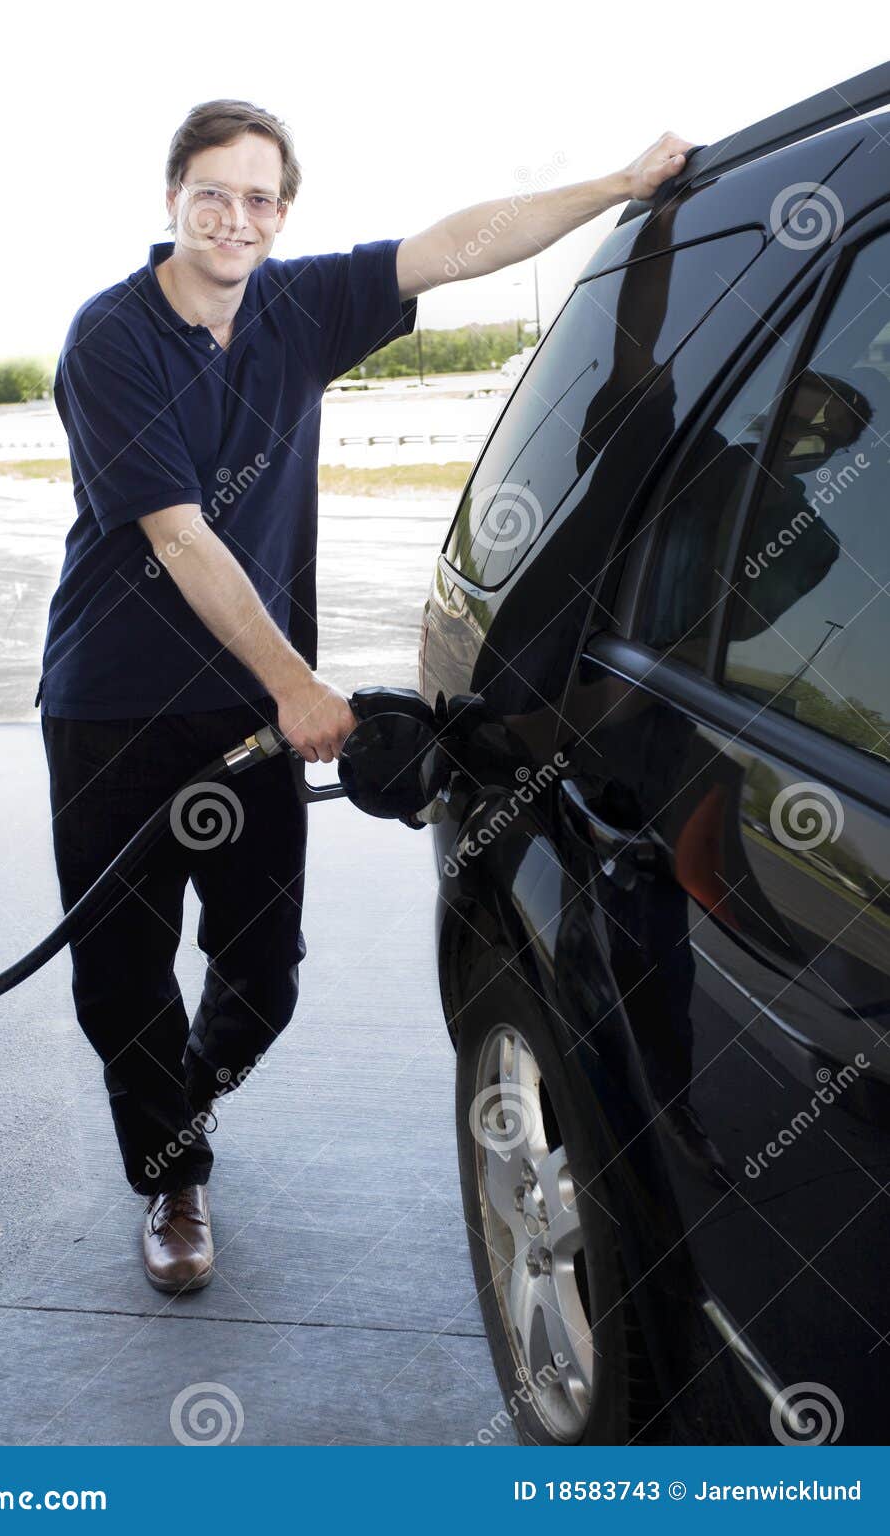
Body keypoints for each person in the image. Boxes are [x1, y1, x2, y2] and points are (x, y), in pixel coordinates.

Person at [35, 97, 694, 1292]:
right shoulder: (111, 339)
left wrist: (610, 186)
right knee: (121, 972)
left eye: (260, 199)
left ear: (282, 212)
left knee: (263, 973)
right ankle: (171, 1178)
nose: (236, 218)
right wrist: (295, 683)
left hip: (247, 716)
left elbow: (457, 243)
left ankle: (171, 1108)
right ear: (171, 197)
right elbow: (179, 537)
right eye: (213, 193)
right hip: (113, 708)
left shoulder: (297, 305)